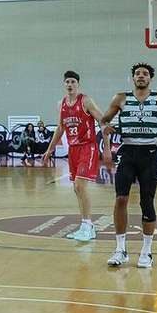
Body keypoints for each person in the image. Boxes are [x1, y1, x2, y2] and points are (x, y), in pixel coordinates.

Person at [100, 63, 157, 268]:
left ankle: (147, 252)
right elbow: (104, 122)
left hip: (150, 153)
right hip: (127, 152)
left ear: (150, 79)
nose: (141, 76)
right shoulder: (120, 98)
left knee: (147, 202)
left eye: (145, 74)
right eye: (137, 73)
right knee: (121, 199)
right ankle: (121, 250)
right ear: (132, 78)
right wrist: (107, 145)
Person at [41, 71, 105, 242]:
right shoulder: (61, 104)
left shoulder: (86, 101)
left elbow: (102, 120)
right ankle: (87, 226)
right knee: (77, 188)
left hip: (88, 147)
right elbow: (60, 128)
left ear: (78, 84)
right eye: (67, 82)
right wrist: (49, 150)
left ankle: (87, 225)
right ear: (64, 84)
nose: (70, 84)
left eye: (73, 82)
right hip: (73, 149)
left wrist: (106, 146)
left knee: (80, 185)